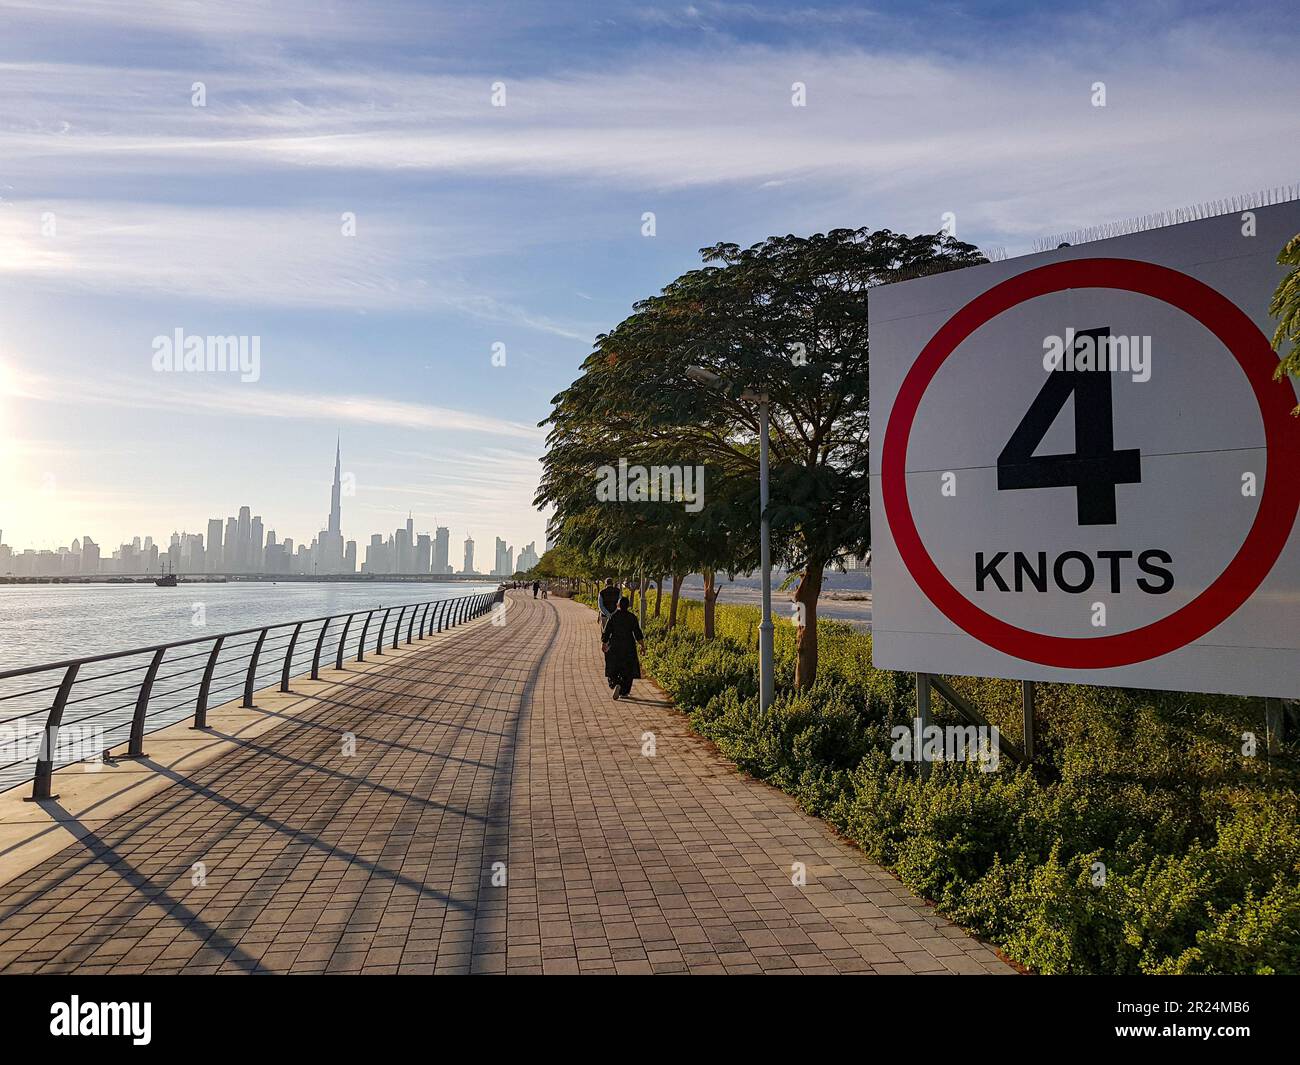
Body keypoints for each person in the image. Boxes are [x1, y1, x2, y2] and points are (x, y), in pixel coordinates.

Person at [602, 596, 645, 699]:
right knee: (628, 670)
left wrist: (604, 643)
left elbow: (606, 631)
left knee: (613, 667)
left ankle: (615, 683)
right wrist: (642, 645)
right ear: (628, 606)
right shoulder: (632, 617)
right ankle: (624, 691)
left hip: (615, 645)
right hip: (629, 646)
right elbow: (637, 632)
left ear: (618, 605)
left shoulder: (613, 616)